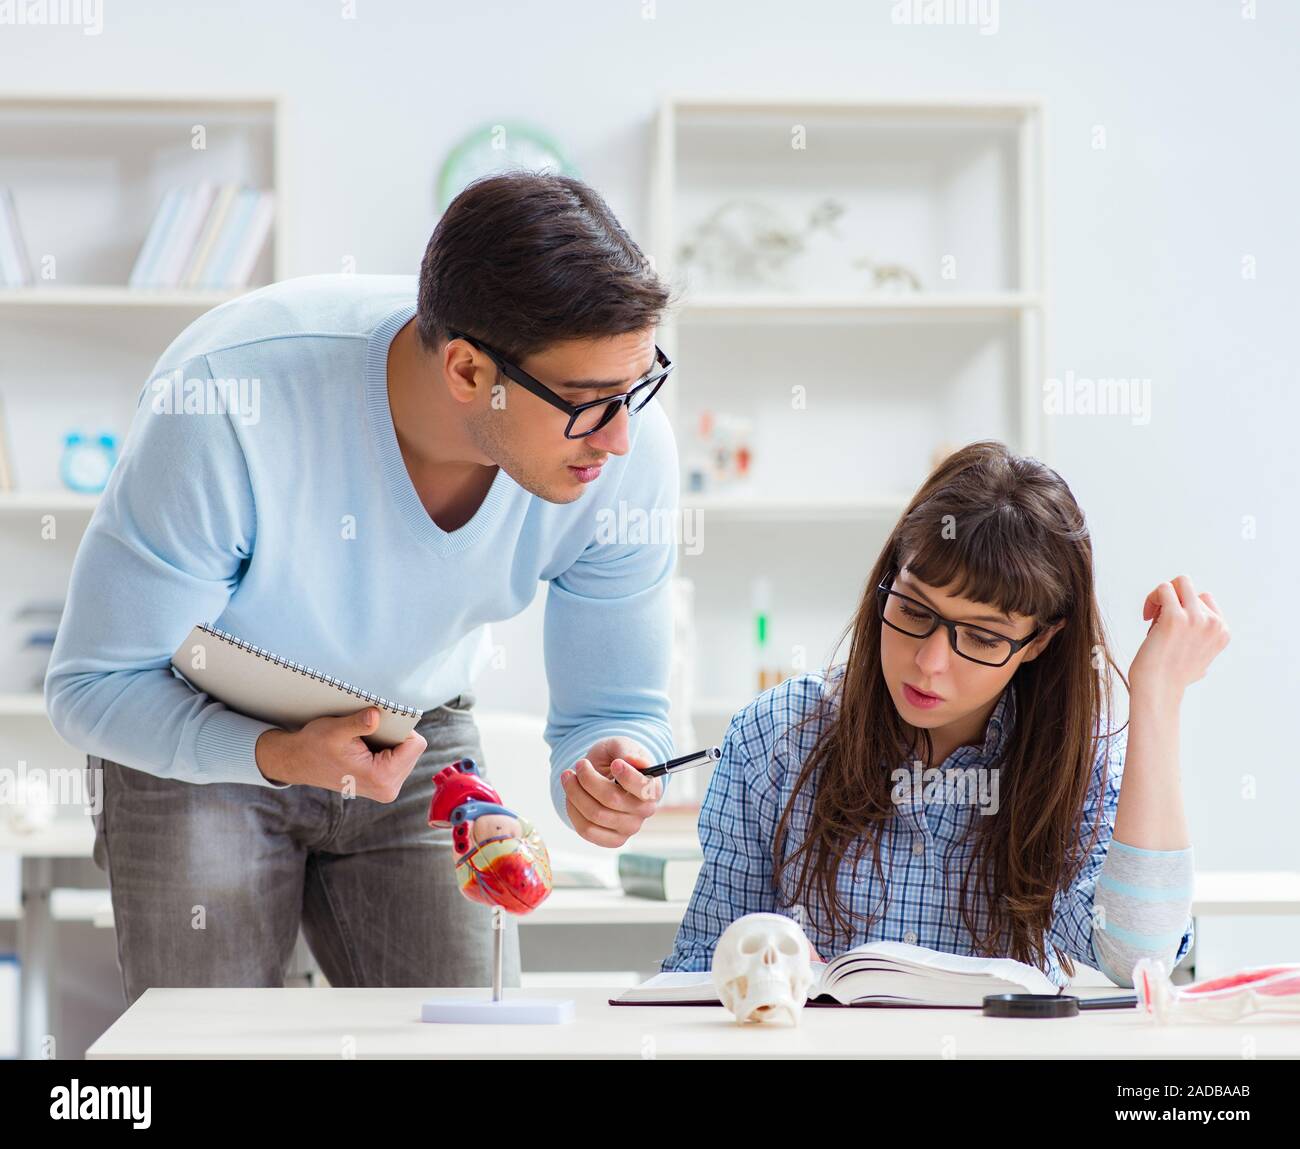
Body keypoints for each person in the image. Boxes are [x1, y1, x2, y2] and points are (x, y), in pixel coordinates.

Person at [45, 171, 681, 1004]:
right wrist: (275, 753)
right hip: (195, 728)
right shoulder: (225, 399)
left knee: (466, 1040)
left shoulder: (620, 449)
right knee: (207, 1041)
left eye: (638, 386)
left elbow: (613, 710)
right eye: (588, 402)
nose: (624, 437)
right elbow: (90, 686)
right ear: (464, 369)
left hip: (416, 733)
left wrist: (612, 763)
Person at [660, 440, 1230, 988]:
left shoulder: (1073, 767)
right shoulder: (778, 734)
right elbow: (696, 970)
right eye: (912, 608)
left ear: (1038, 642)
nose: (930, 663)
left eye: (982, 638)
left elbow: (1137, 954)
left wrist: (1157, 697)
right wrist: (755, 964)